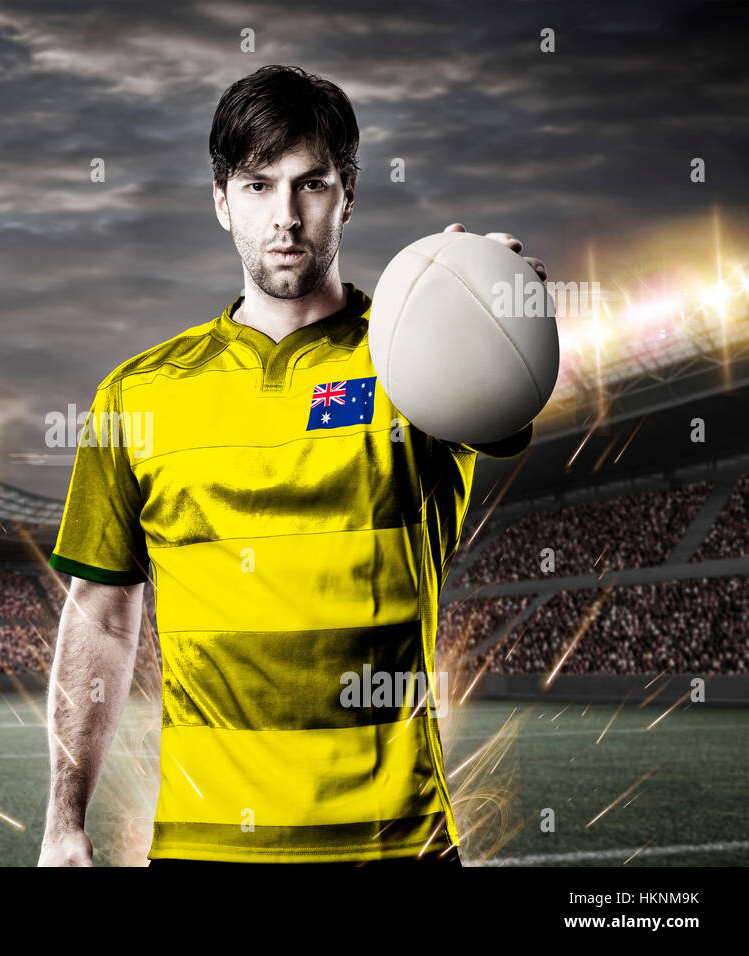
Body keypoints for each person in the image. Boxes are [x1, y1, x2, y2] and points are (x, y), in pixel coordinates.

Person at [38, 65, 545, 867]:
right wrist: (64, 820)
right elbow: (100, 613)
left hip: (396, 849)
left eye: (311, 183)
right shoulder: (136, 394)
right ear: (220, 200)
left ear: (348, 196)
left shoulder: (416, 362)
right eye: (257, 185)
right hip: (204, 851)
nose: (285, 216)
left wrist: (498, 307)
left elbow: (505, 395)